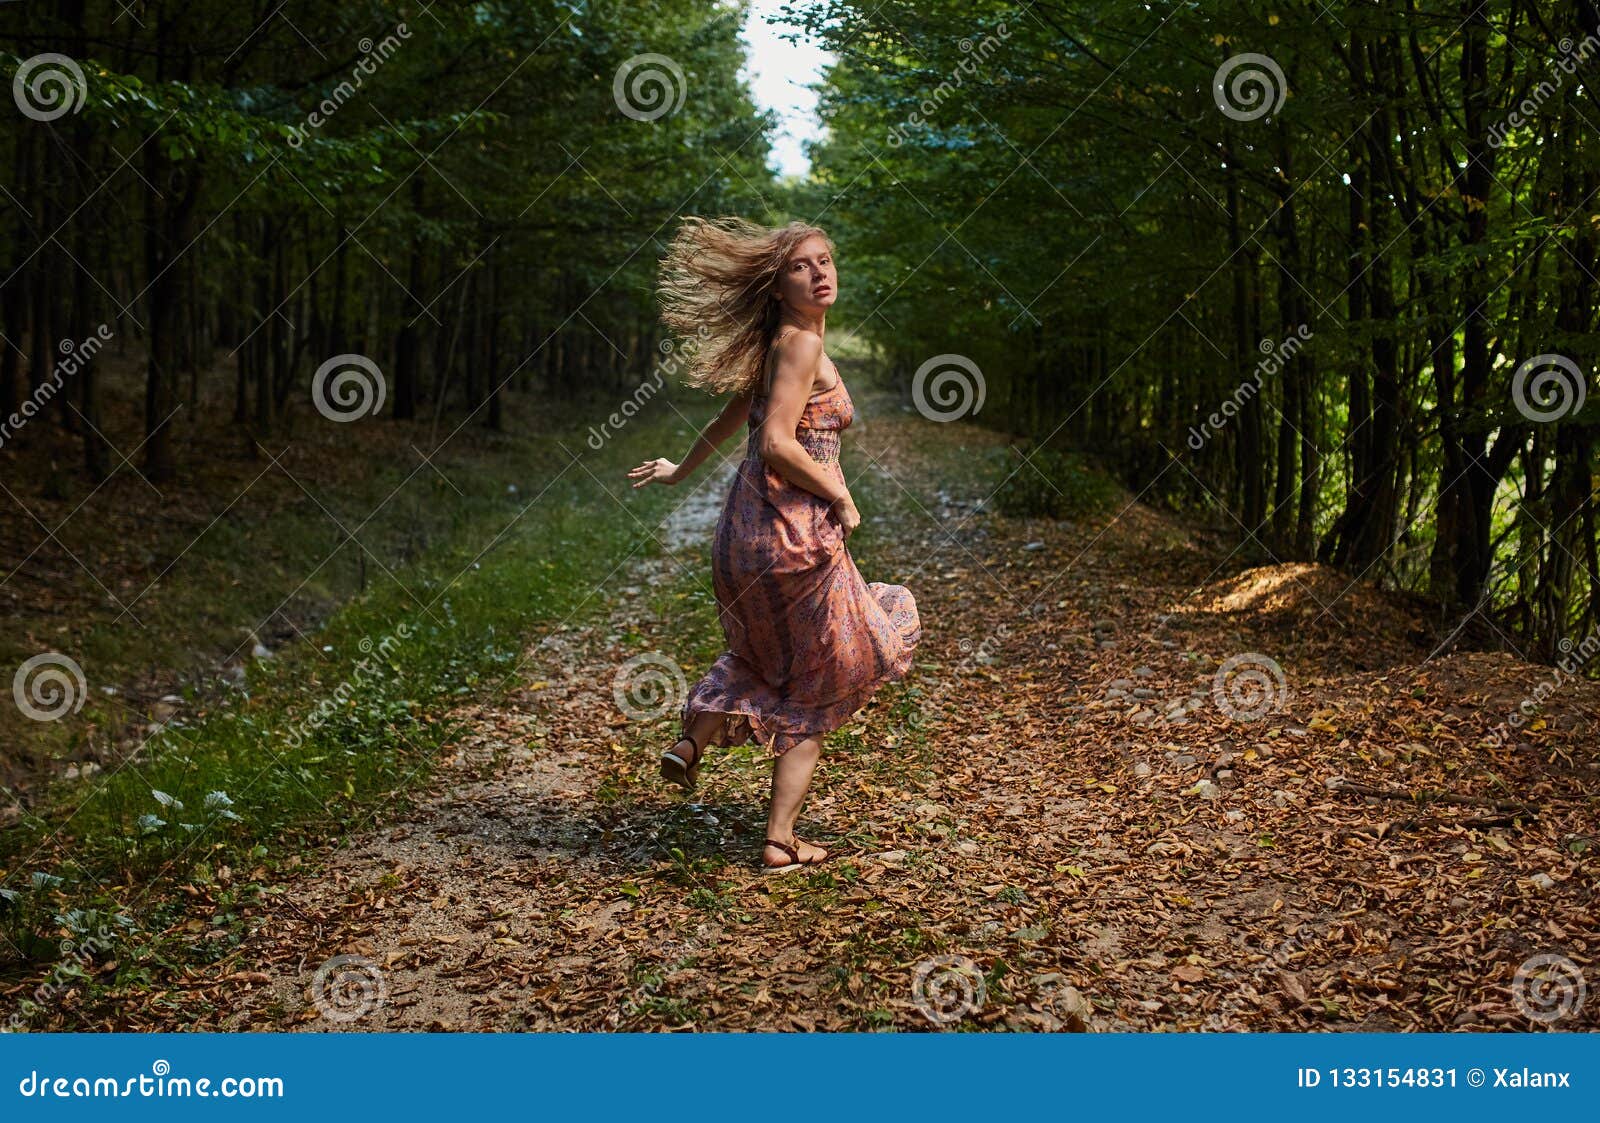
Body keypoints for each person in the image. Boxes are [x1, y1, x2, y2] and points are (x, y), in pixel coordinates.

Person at [627, 216, 921, 873]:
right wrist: (839, 495)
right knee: (824, 672)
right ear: (778, 283)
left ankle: (695, 737)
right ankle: (780, 840)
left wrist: (680, 469)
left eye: (825, 259)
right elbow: (777, 443)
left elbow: (733, 418)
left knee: (765, 652)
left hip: (744, 535)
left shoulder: (777, 345)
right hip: (793, 533)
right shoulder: (798, 346)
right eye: (801, 266)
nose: (820, 272)